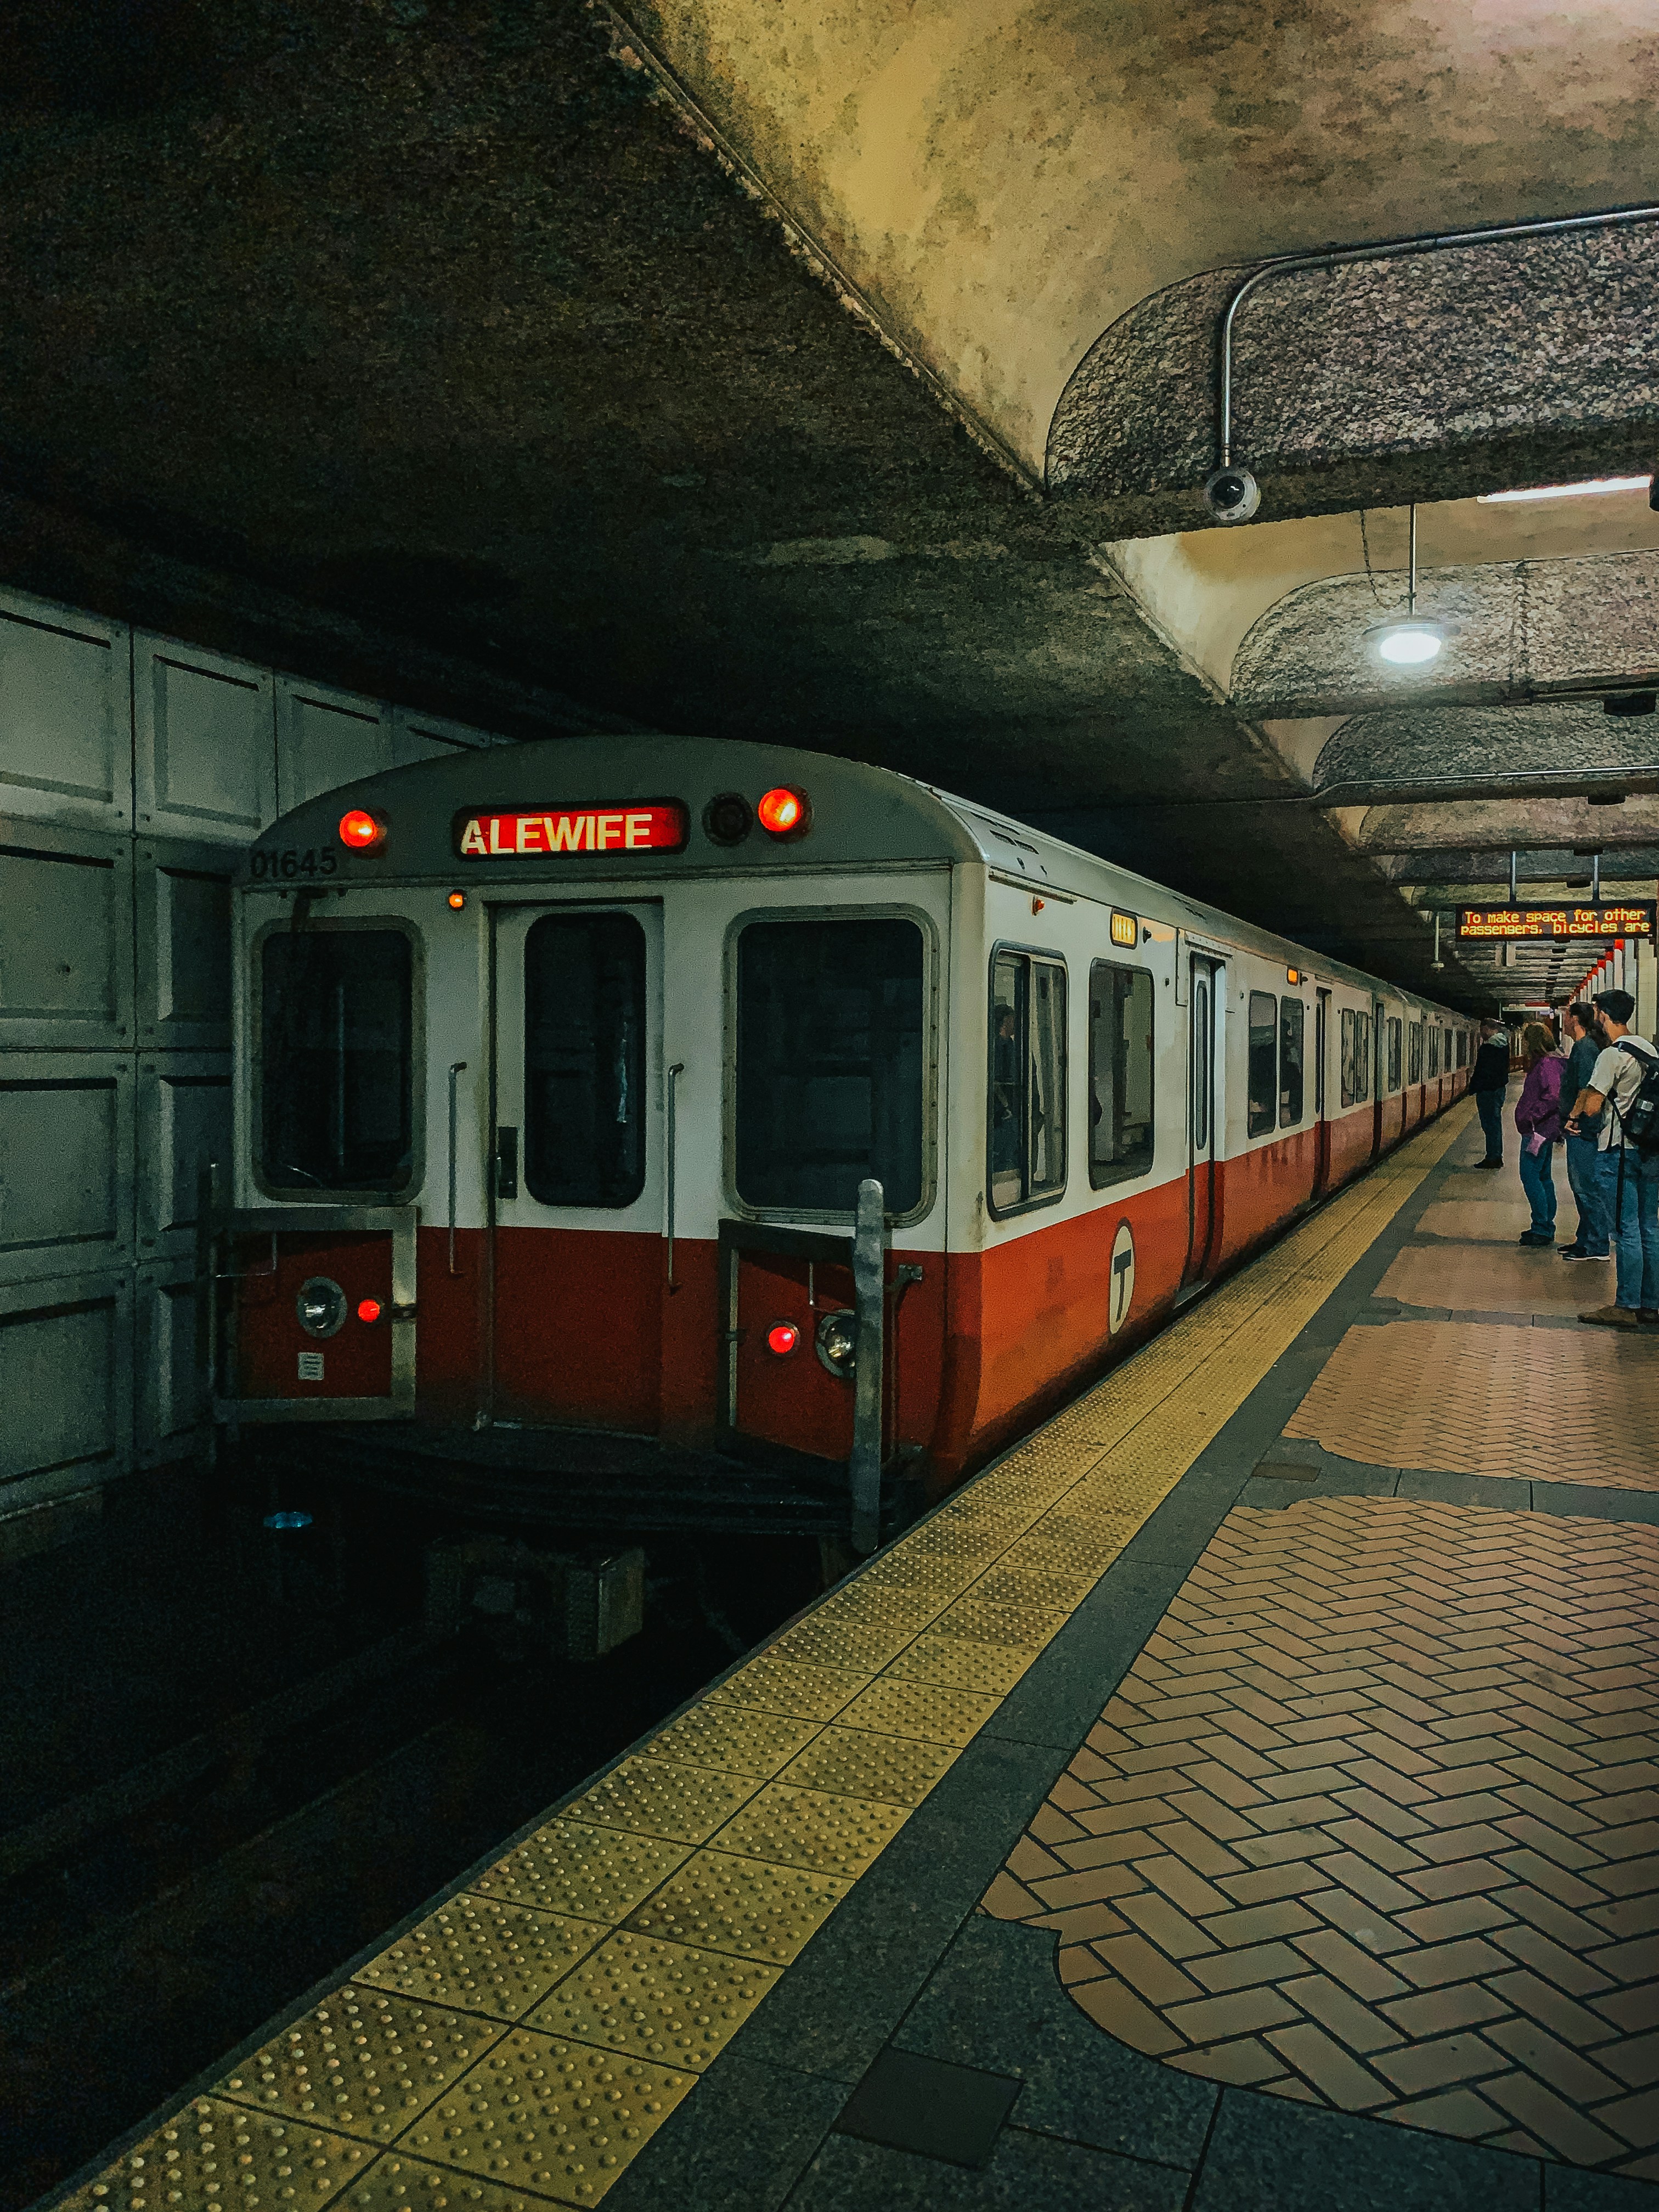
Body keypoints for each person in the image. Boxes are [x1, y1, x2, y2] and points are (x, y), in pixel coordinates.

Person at [1565, 989, 1659, 1329]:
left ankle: (1626, 1305)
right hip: (1649, 1151)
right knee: (1650, 1227)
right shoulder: (1650, 1050)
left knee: (1625, 1230)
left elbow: (1592, 1106)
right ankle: (1651, 1304)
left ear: (1602, 1014)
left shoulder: (1612, 1055)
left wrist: (1577, 1114)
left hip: (1619, 1152)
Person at [1558, 1002, 1611, 1262]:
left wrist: (1572, 1117)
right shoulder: (1586, 1046)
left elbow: (1586, 1088)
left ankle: (1597, 1245)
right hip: (1582, 1129)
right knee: (1581, 1186)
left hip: (1583, 1130)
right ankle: (1585, 1239)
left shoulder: (1585, 1047)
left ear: (1575, 1019)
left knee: (1585, 1187)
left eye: (1566, 1016)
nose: (1564, 1021)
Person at [1513, 1020, 1566, 1245]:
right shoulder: (1555, 1061)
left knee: (1530, 1176)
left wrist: (1532, 1116)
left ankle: (1542, 1228)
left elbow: (1553, 1096)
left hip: (1538, 1131)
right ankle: (1544, 1226)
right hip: (1546, 1129)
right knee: (1544, 1177)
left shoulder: (1546, 1064)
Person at [1470, 1019, 1510, 1169]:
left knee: (1490, 1124)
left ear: (1488, 1028)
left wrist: (1476, 1086)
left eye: (1482, 1030)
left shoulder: (1490, 1048)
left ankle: (1493, 1157)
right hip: (1497, 1089)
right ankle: (1494, 1156)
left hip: (1489, 1091)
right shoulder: (1503, 1044)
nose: (1481, 1034)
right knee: (1494, 1123)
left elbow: (1483, 1071)